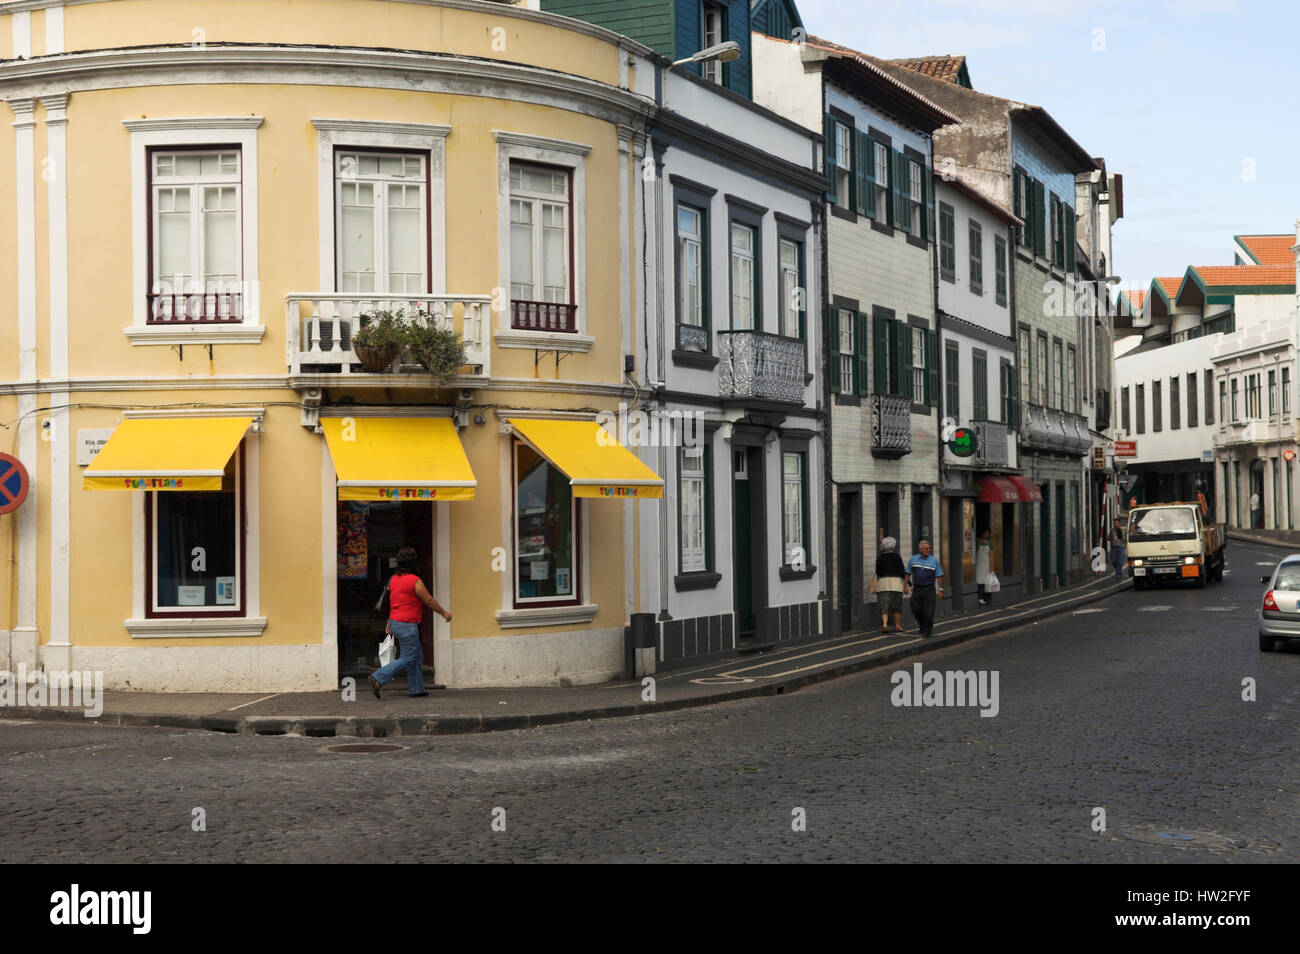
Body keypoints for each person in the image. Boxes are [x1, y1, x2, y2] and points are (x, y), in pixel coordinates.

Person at [370, 546, 451, 699]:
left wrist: (389, 621)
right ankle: (378, 677)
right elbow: (429, 600)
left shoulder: (393, 579)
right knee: (409, 657)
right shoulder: (415, 581)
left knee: (416, 656)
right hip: (406, 624)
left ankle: (416, 689)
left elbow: (391, 602)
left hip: (395, 622)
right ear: (414, 562)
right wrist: (444, 613)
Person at [905, 540, 944, 638]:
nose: (929, 550)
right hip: (917, 589)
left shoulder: (934, 561)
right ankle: (922, 625)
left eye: (929, 548)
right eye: (926, 548)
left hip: (929, 589)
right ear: (920, 549)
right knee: (915, 608)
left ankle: (927, 631)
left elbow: (939, 575)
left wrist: (940, 589)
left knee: (928, 611)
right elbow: (907, 573)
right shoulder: (913, 559)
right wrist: (905, 586)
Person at [874, 536, 909, 633]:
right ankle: (897, 625)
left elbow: (878, 572)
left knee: (884, 605)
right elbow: (902, 571)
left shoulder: (880, 557)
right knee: (896, 606)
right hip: (896, 584)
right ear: (893, 546)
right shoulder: (897, 557)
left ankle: (885, 624)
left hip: (883, 584)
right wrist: (908, 584)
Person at [975, 528, 993, 605]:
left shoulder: (989, 544)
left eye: (988, 533)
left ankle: (987, 598)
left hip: (987, 566)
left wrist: (992, 568)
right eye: (985, 532)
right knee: (980, 581)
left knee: (987, 582)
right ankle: (980, 598)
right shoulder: (977, 542)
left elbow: (991, 556)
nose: (986, 534)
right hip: (979, 565)